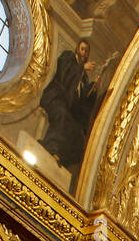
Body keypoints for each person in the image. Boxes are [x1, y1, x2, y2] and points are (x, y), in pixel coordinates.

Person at [40, 40, 101, 172]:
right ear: (77, 49)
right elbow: (64, 73)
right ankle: (52, 148)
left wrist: (93, 88)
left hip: (69, 107)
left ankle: (64, 159)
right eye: (82, 49)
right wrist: (82, 68)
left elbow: (82, 100)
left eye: (86, 51)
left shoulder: (83, 77)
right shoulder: (67, 57)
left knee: (78, 132)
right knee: (62, 115)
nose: (84, 53)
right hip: (56, 97)